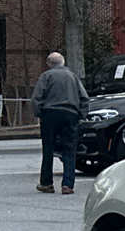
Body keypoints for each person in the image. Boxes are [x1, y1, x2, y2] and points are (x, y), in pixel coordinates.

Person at [31, 52, 89, 194]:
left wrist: (40, 113)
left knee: (48, 149)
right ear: (63, 62)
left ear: (49, 64)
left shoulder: (46, 76)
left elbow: (36, 98)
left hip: (50, 114)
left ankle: (47, 183)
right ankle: (67, 184)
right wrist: (80, 115)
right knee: (69, 150)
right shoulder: (73, 77)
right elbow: (85, 98)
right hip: (70, 114)